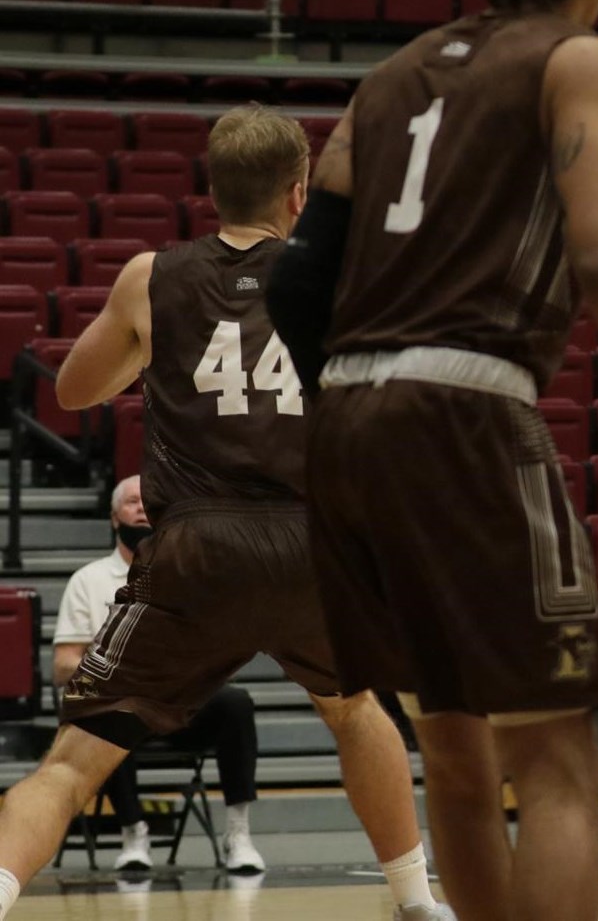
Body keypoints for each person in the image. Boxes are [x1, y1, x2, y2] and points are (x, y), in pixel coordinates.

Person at [264, 0, 598, 919]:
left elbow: (296, 281)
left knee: (453, 742)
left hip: (343, 418)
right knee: (558, 762)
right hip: (463, 410)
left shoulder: (386, 80)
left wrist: (356, 411)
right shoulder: (584, 61)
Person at [0, 106, 450, 920]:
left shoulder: (152, 275)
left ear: (212, 190)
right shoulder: (344, 275)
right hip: (313, 539)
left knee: (72, 765)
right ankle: (417, 901)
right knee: (356, 713)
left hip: (197, 542)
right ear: (298, 193)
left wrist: (148, 354)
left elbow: (70, 393)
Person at [53, 476, 265, 873]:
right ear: (114, 517)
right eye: (132, 502)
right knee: (107, 710)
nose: (141, 509)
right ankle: (134, 834)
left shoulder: (189, 575)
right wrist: (111, 667)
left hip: (178, 704)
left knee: (235, 703)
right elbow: (63, 664)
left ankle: (239, 833)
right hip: (123, 704)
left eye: (148, 503)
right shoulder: (88, 579)